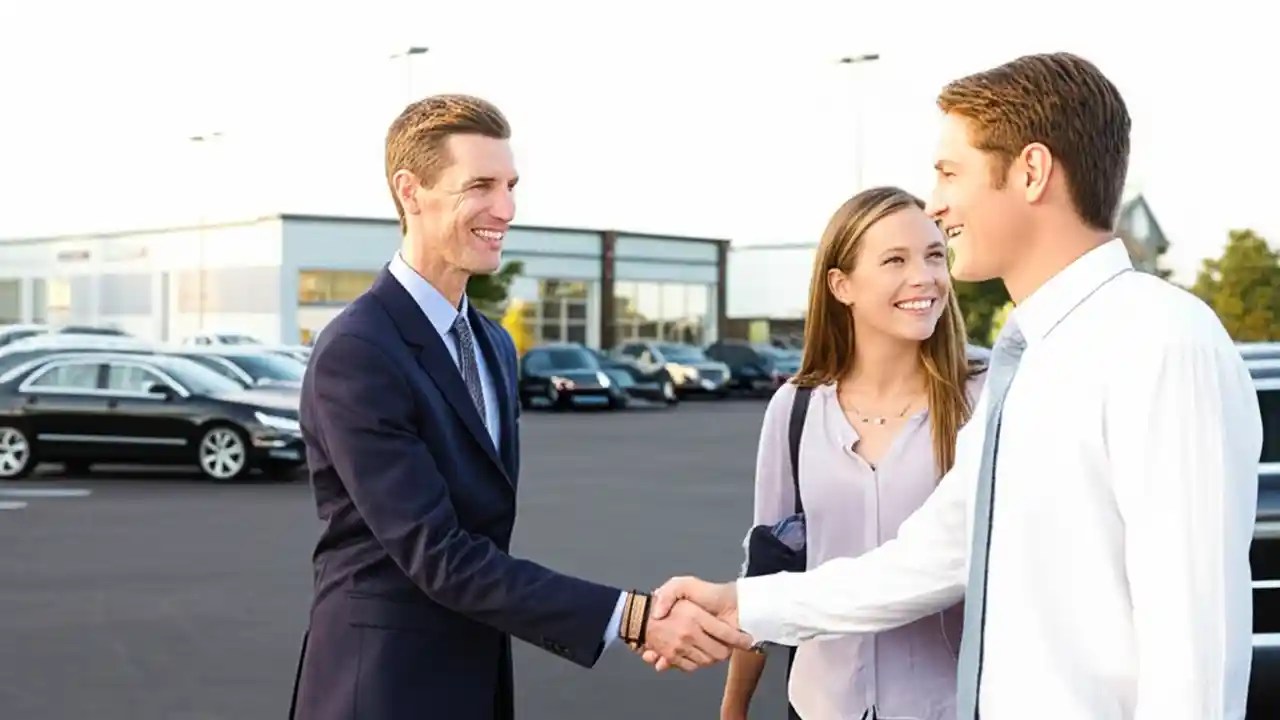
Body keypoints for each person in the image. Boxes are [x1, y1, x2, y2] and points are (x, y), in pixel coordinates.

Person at [645, 52, 1261, 719]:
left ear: (1030, 172)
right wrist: (740, 602)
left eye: (949, 172)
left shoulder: (1161, 341)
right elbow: (924, 561)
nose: (936, 203)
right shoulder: (1025, 365)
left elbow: (1195, 645)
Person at [287, 94, 750, 720]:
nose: (504, 209)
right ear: (410, 191)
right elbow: (440, 553)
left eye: (510, 185)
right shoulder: (359, 351)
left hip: (475, 674)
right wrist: (633, 617)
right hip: (380, 687)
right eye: (479, 185)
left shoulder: (493, 344)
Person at [722, 187, 985, 720]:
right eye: (895, 259)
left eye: (935, 255)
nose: (925, 277)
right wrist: (733, 708)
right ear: (842, 285)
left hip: (948, 706)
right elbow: (767, 571)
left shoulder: (985, 397)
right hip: (821, 704)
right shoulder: (794, 409)